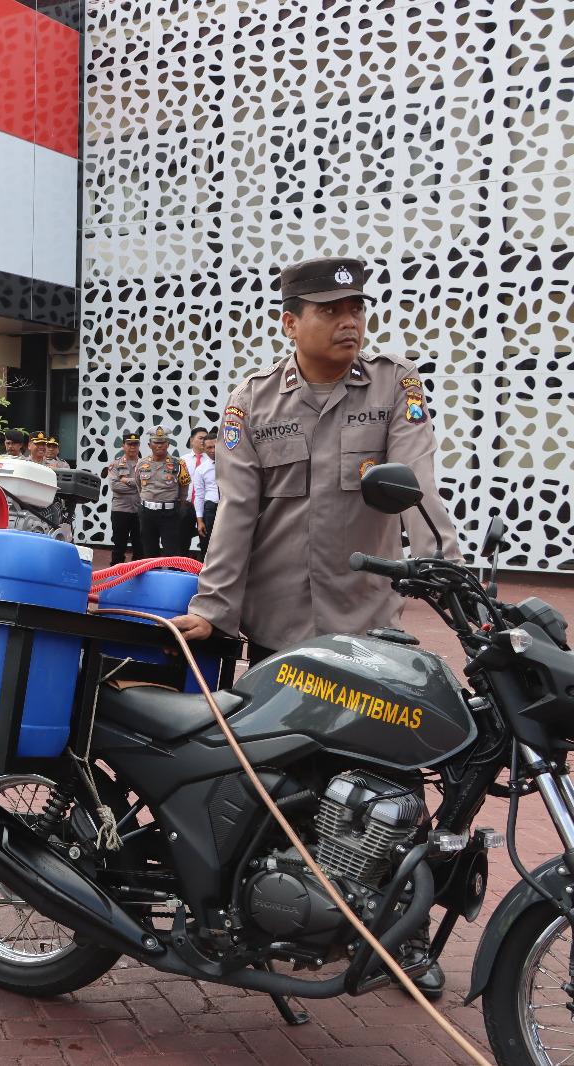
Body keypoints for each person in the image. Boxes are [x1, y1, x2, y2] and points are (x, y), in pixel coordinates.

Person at [170, 256, 459, 998]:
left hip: (366, 627)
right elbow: (237, 512)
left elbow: (417, 487)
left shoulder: (394, 386)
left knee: (394, 780)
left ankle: (404, 935)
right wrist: (212, 608)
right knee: (279, 781)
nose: (349, 321)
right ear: (290, 322)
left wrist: (448, 573)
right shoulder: (252, 402)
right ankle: (268, 913)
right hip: (281, 629)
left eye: (356, 307)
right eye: (330, 310)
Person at [135, 427, 189, 556]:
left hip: (169, 513)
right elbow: (139, 485)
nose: (159, 445)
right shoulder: (141, 463)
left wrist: (177, 506)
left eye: (163, 442)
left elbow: (184, 487)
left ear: (168, 444)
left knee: (172, 551)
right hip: (147, 513)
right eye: (156, 442)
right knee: (149, 551)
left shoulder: (179, 463)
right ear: (150, 445)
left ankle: (172, 570)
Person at [103, 434, 143, 564]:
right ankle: (116, 572)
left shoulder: (144, 464)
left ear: (139, 446)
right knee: (119, 545)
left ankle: (138, 572)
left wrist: (127, 481)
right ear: (123, 446)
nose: (133, 447)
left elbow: (148, 484)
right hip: (120, 510)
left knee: (140, 545)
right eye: (129, 444)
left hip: (139, 510)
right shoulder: (115, 464)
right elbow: (115, 486)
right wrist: (137, 485)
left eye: (135, 444)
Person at [180, 428, 214, 557]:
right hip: (186, 506)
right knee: (182, 542)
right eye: (200, 438)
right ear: (191, 440)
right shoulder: (182, 460)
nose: (203, 441)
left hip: (206, 508)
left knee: (206, 542)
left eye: (205, 439)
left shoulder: (212, 461)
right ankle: (181, 567)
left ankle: (204, 567)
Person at [192, 433, 219, 559]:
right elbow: (199, 495)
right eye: (209, 448)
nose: (213, 450)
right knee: (208, 546)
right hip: (211, 508)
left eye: (215, 446)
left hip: (230, 507)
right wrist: (200, 521)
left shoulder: (233, 465)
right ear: (204, 449)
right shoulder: (201, 469)